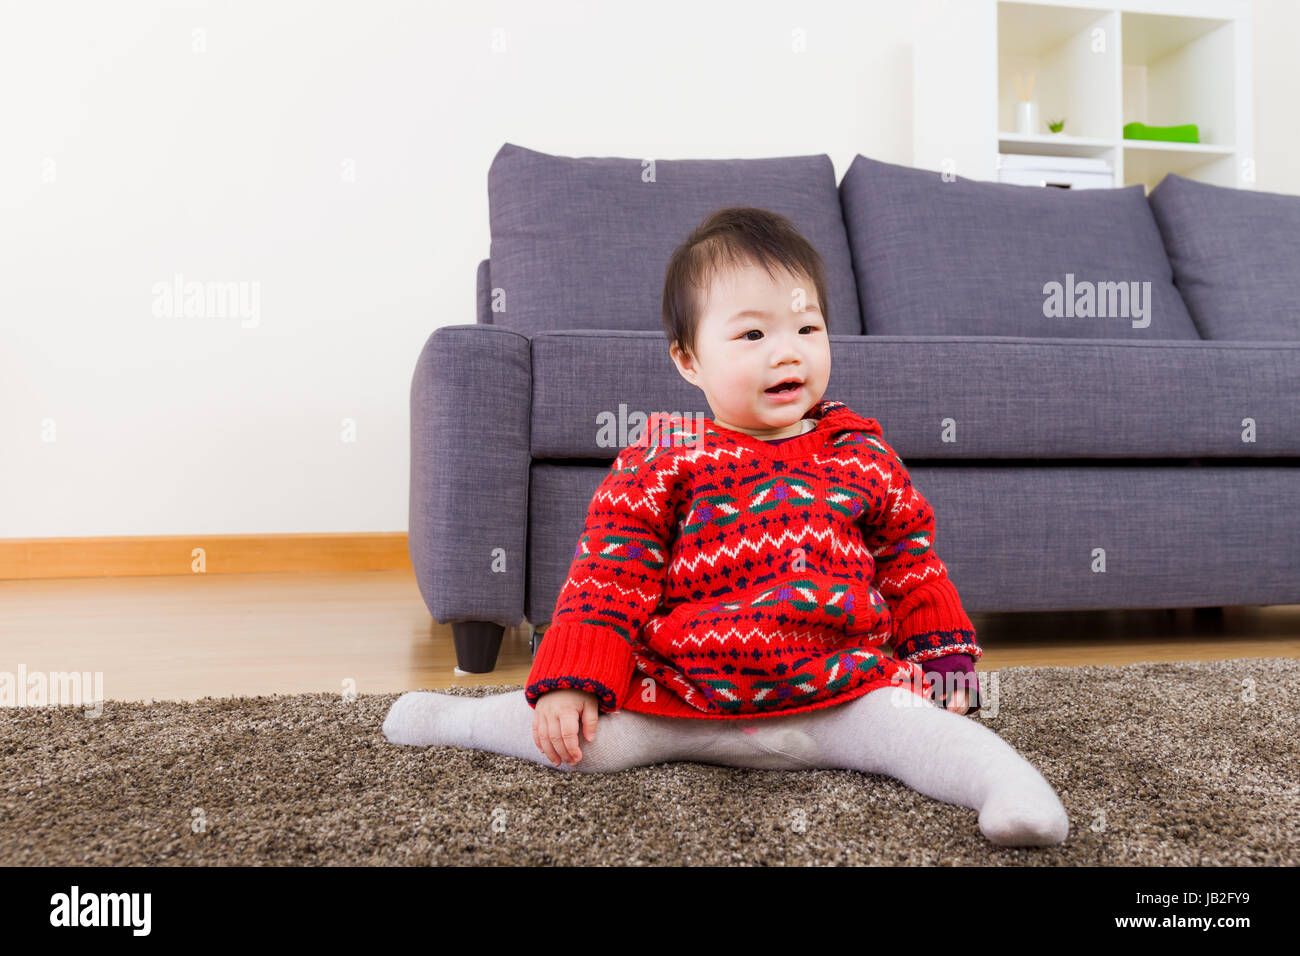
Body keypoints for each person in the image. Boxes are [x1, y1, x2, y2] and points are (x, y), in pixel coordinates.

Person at [384, 207, 1069, 847]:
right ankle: (458, 719)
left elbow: (911, 560)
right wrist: (572, 678)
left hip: (842, 691)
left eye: (807, 328)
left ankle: (1010, 792)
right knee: (580, 741)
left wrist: (942, 656)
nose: (788, 352)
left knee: (924, 735)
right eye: (752, 334)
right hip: (682, 692)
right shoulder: (665, 452)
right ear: (688, 359)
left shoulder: (861, 451)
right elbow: (608, 574)